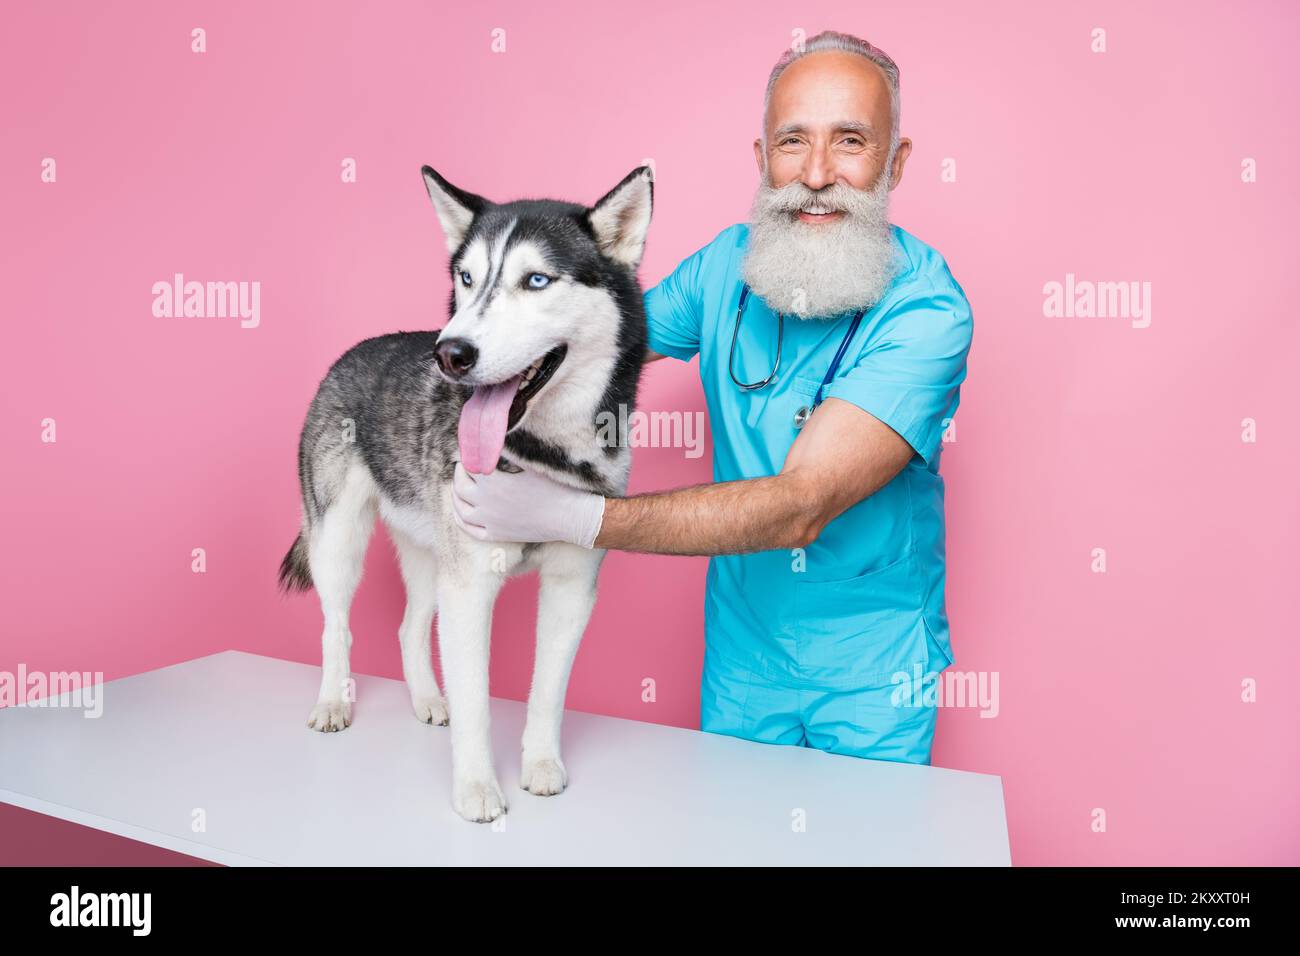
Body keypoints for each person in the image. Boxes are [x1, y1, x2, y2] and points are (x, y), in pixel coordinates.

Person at [452, 30, 974, 766]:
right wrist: (486, 342)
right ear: (763, 160)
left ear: (896, 161)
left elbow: (802, 505)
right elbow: (595, 340)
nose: (817, 173)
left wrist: (574, 516)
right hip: (742, 650)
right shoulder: (725, 266)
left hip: (874, 668)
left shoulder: (928, 312)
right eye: (793, 142)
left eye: (850, 141)